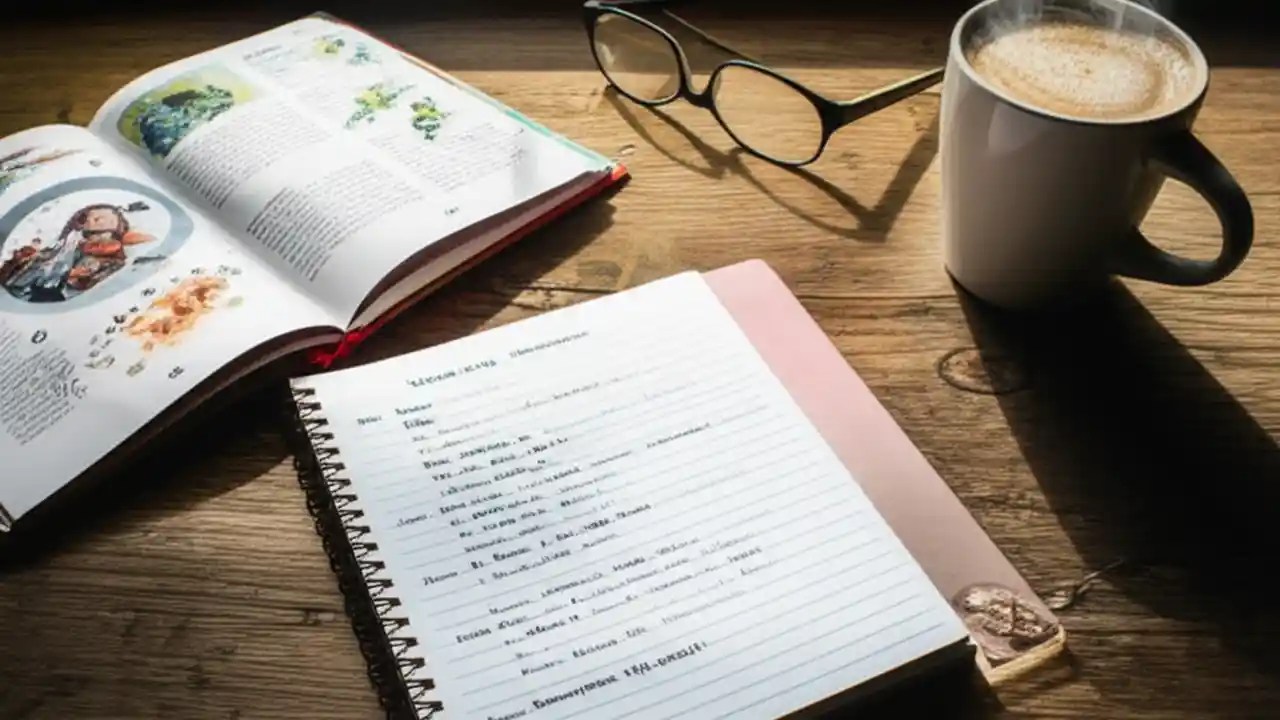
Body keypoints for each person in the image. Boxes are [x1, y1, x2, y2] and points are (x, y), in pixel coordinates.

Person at [0, 202, 155, 303]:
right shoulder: (69, 246)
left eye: (98, 218)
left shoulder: (113, 258)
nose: (91, 220)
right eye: (87, 217)